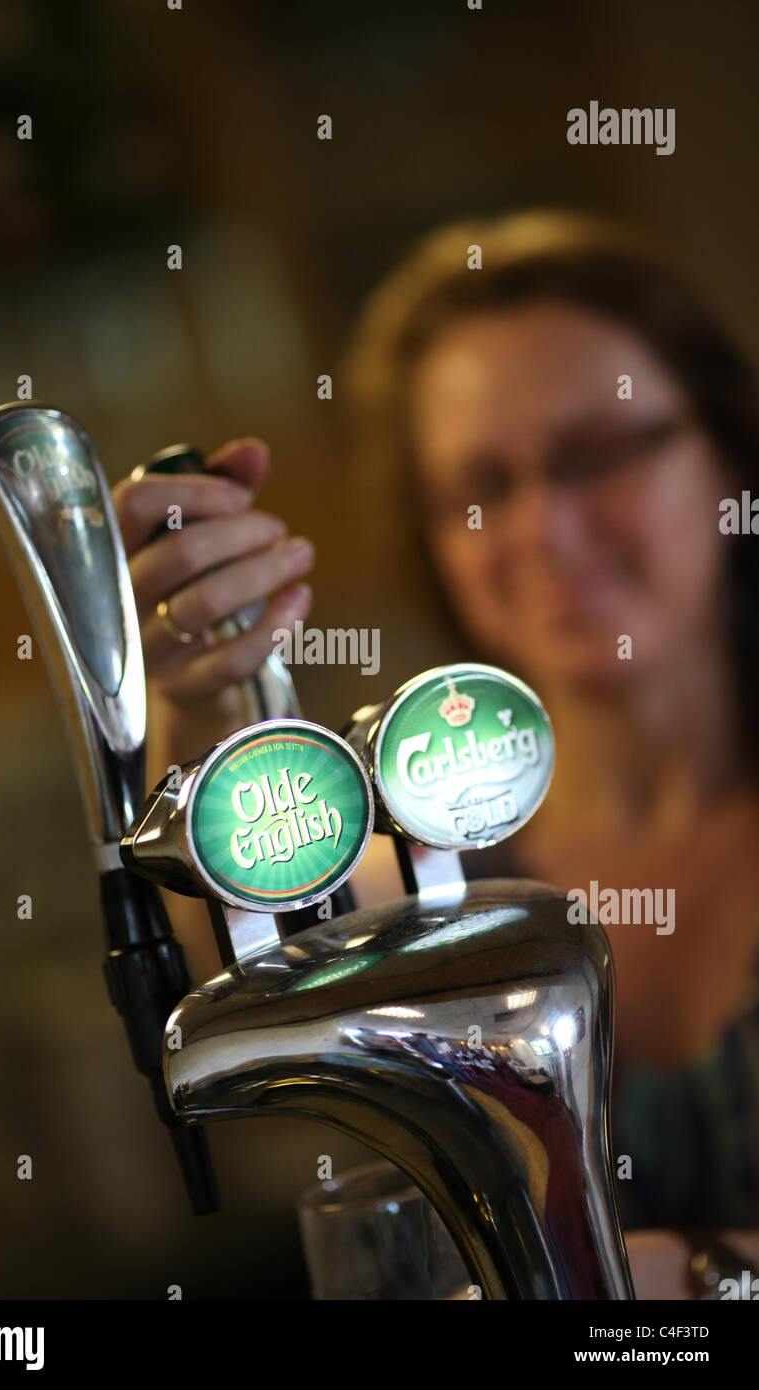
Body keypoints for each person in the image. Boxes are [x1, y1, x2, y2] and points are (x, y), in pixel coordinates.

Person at [112, 210, 759, 1299]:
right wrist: (204, 701)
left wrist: (695, 1279)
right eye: (480, 488)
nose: (543, 526)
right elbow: (238, 936)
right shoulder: (418, 869)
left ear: (726, 451)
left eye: (592, 453)